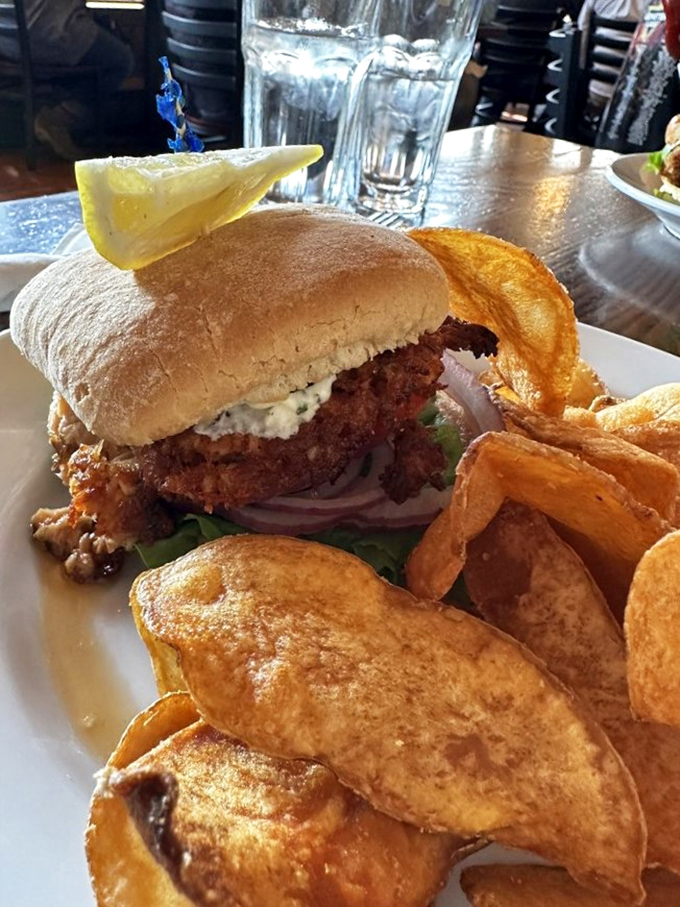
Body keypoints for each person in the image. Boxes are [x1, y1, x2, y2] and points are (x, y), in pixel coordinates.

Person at [0, 0, 134, 160]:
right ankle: (58, 119)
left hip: (8, 38)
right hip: (49, 32)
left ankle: (57, 110)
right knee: (121, 60)